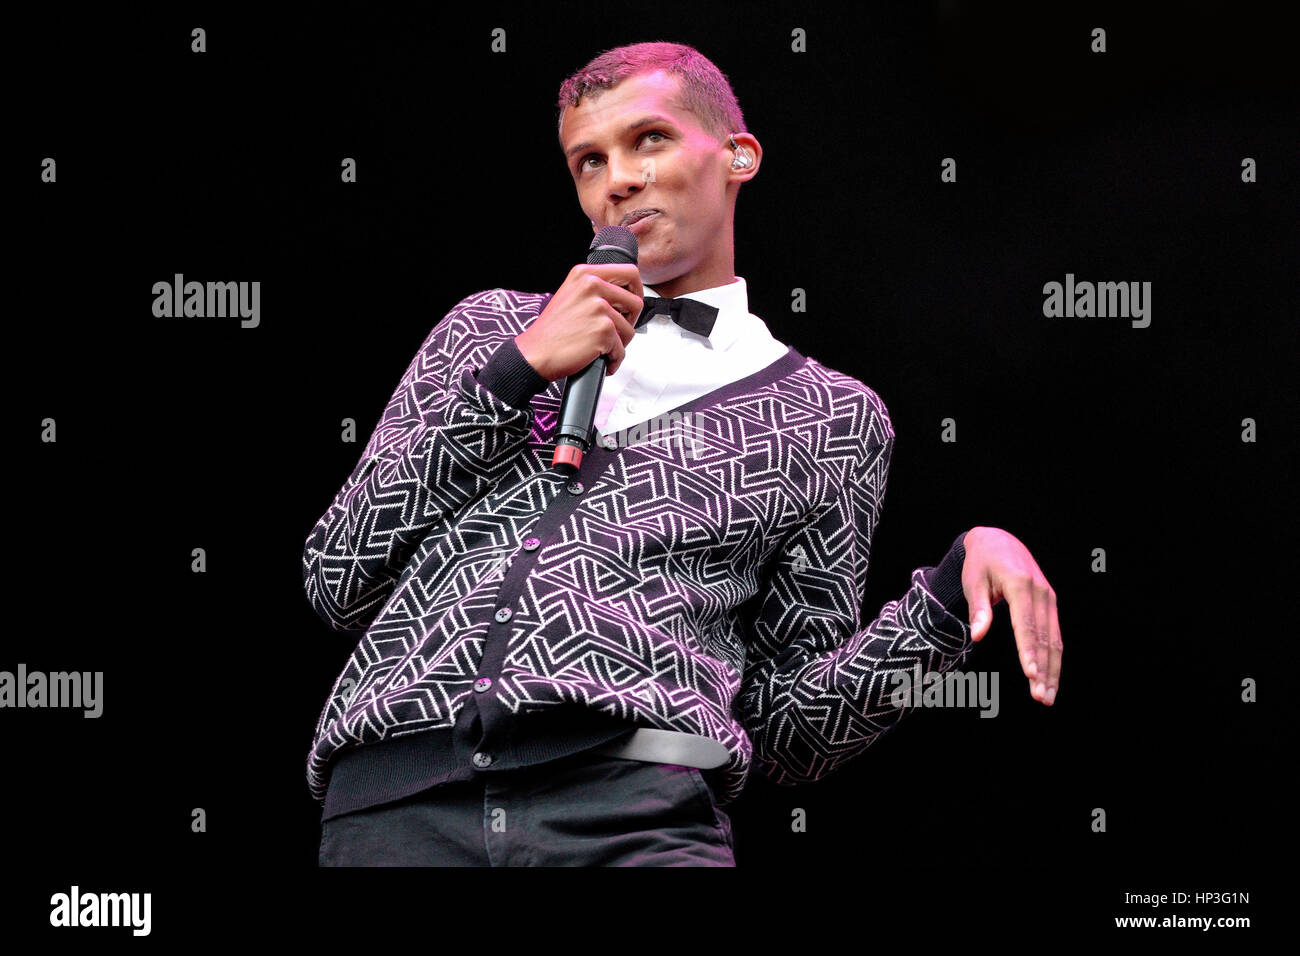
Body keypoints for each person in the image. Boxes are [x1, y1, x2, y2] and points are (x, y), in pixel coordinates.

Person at [303, 41, 1062, 867]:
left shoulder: (833, 417)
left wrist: (949, 596)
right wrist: (518, 371)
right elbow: (338, 576)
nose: (617, 180)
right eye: (588, 160)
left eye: (649, 140)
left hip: (639, 800)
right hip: (398, 801)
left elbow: (789, 732)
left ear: (738, 156)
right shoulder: (489, 330)